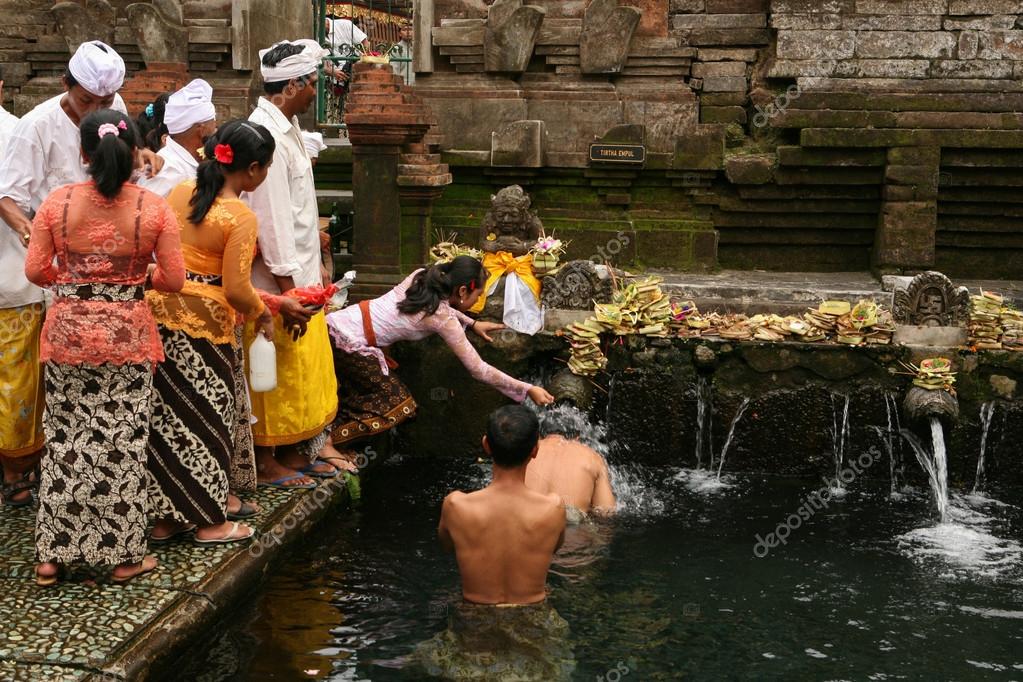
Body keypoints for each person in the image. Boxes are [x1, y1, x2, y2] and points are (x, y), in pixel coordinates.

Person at [24, 109, 185, 585]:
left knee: (65, 443)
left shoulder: (57, 203)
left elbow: (35, 271)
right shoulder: (154, 209)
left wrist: (73, 283)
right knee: (121, 443)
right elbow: (173, 279)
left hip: (67, 335)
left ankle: (52, 557)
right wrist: (134, 279)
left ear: (82, 153)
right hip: (128, 337)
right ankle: (122, 558)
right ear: (135, 153)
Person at [0, 41, 162, 508]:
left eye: (105, 103)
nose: (96, 110)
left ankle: (84, 476)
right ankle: (25, 471)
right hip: (51, 269)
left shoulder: (115, 107)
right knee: (41, 382)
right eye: (87, 101)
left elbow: (131, 160)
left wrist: (148, 155)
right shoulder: (35, 127)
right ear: (64, 86)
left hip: (108, 269)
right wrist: (33, 231)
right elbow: (7, 195)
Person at [146, 121, 309, 544]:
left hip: (162, 314)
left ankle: (167, 518)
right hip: (206, 326)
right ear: (253, 169)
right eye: (267, 167)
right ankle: (209, 522)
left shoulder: (182, 191)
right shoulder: (239, 214)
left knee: (168, 420)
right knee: (206, 422)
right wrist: (265, 312)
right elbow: (235, 290)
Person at [325, 256, 555, 459]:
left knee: (368, 393)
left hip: (335, 325)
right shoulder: (442, 318)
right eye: (478, 295)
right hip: (347, 343)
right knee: (398, 405)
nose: (477, 301)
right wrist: (526, 389)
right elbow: (478, 369)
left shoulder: (421, 276)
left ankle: (332, 438)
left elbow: (438, 306)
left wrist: (472, 322)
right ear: (463, 291)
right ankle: (328, 443)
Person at [245, 39, 342, 487]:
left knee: (301, 369)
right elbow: (272, 221)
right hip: (278, 279)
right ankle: (266, 460)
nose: (316, 90)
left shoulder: (290, 125)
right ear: (295, 85)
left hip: (302, 271)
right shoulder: (263, 137)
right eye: (313, 82)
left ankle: (294, 449)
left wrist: (318, 264)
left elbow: (303, 207)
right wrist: (288, 292)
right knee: (275, 372)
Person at [418, 405, 574, 679]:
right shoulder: (554, 508)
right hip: (534, 618)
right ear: (535, 450)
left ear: (486, 445)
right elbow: (555, 547)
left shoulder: (456, 505)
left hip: (473, 619)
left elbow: (446, 545)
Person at [526, 417, 616, 520]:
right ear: (577, 438)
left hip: (526, 523)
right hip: (571, 526)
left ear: (539, 436)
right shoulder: (593, 457)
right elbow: (606, 512)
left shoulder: (526, 451)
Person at [138, 79, 217, 197]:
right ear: (202, 130)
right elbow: (145, 212)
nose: (216, 131)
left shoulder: (189, 162)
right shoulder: (169, 172)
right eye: (214, 126)